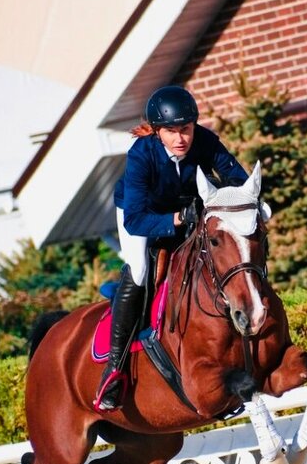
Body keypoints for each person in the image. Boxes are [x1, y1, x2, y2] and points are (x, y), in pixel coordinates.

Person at [93, 84, 250, 413]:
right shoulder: (141, 155)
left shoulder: (204, 141)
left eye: (186, 130)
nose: (181, 139)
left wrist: (248, 204)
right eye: (172, 132)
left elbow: (238, 179)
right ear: (157, 132)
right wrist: (177, 218)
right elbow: (135, 220)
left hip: (189, 211)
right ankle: (114, 370)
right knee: (139, 272)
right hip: (141, 215)